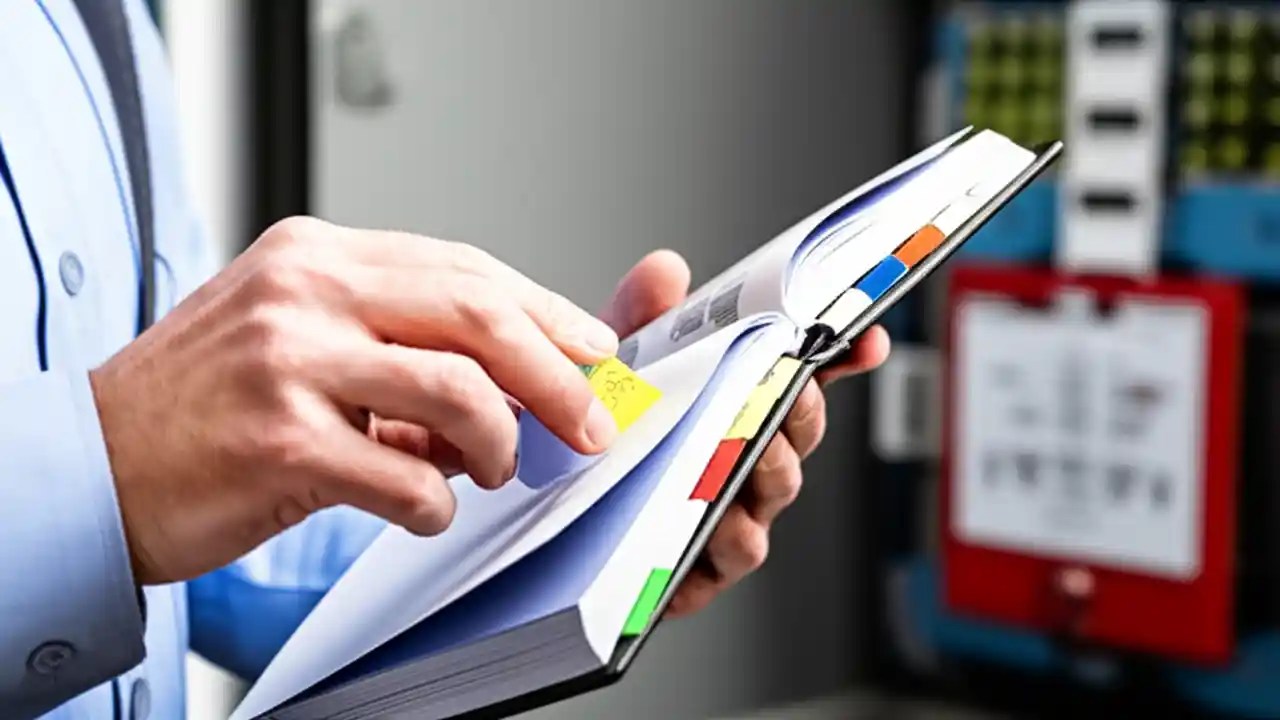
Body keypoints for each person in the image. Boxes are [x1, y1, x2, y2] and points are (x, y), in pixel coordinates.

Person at [0, 1, 890, 718]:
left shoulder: (102, 21)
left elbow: (214, 550)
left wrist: (569, 523)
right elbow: (140, 481)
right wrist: (108, 478)